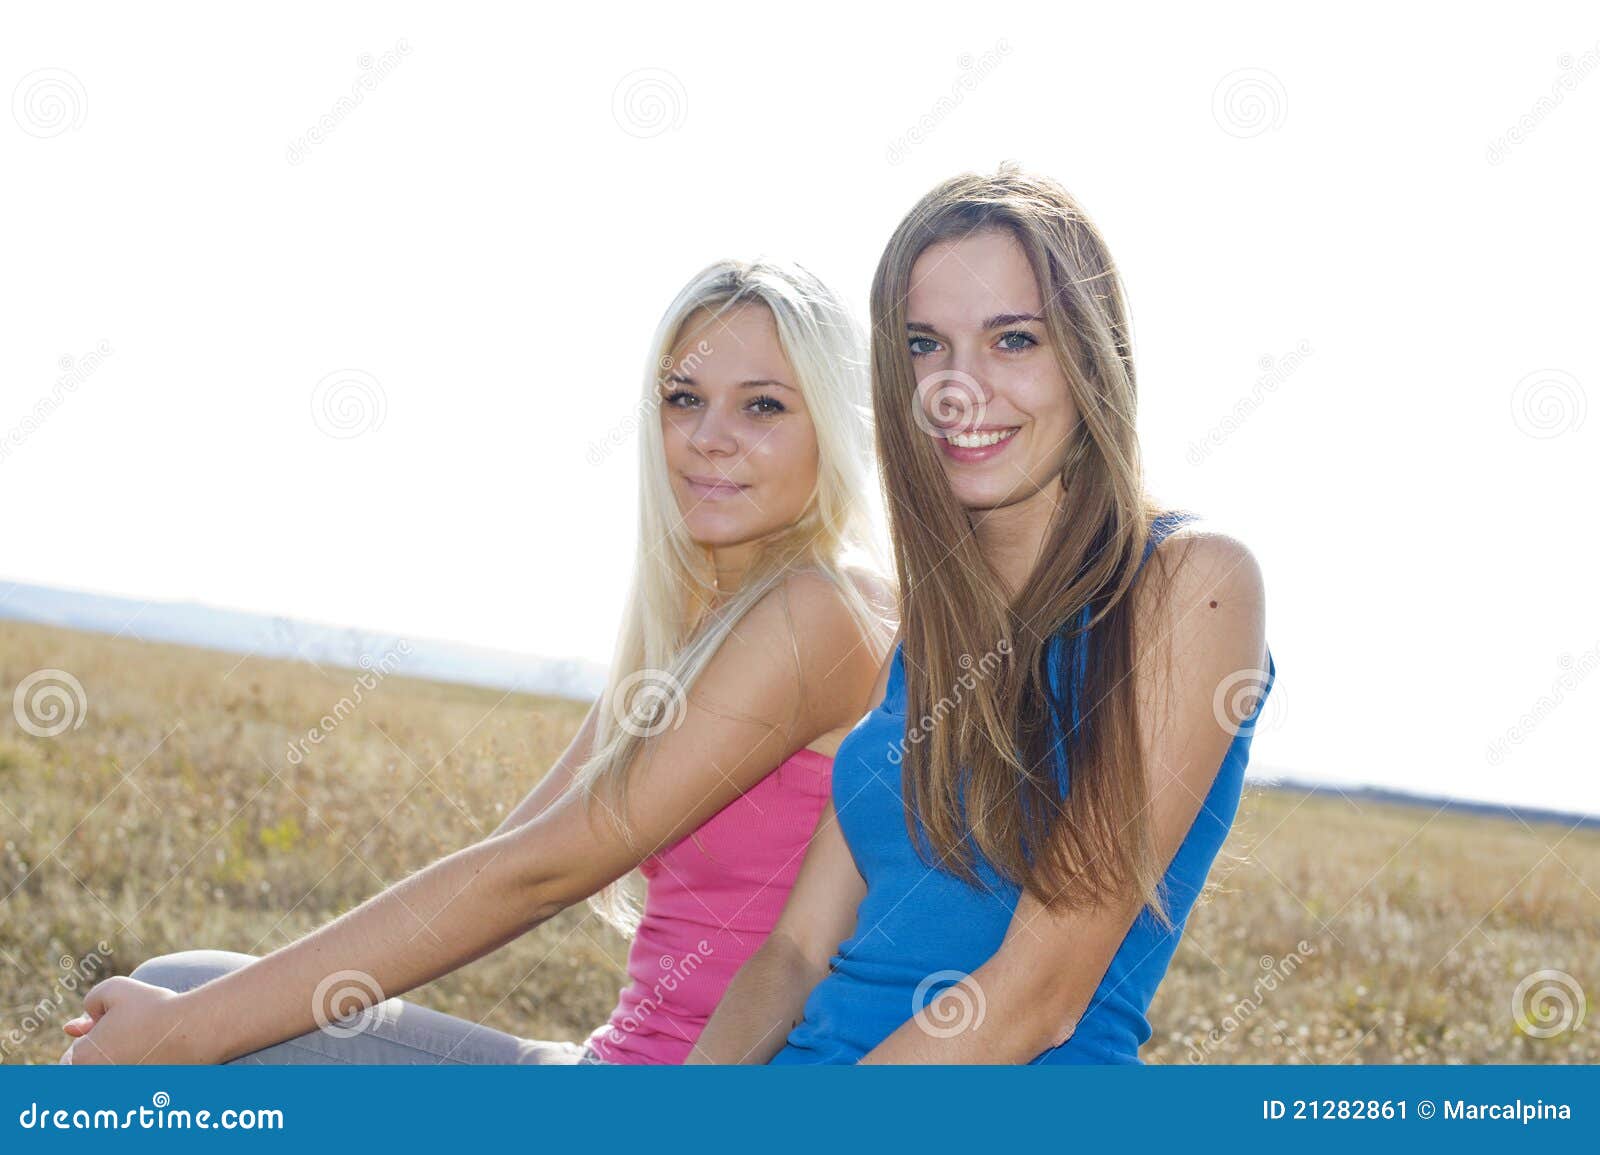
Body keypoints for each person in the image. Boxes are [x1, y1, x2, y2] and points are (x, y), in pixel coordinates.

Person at [62, 258, 896, 1065]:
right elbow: (515, 851)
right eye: (684, 398)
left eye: (762, 406)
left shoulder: (819, 613)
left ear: (830, 425)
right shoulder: (692, 619)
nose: (711, 438)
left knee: (187, 1004)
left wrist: (192, 1029)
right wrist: (199, 1018)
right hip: (600, 1062)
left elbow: (541, 872)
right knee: (184, 984)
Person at [692, 168, 1275, 1064]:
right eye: (925, 344)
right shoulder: (931, 632)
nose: (957, 389)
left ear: (1091, 358)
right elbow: (796, 951)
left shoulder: (1193, 584)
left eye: (1013, 340)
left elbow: (1035, 999)